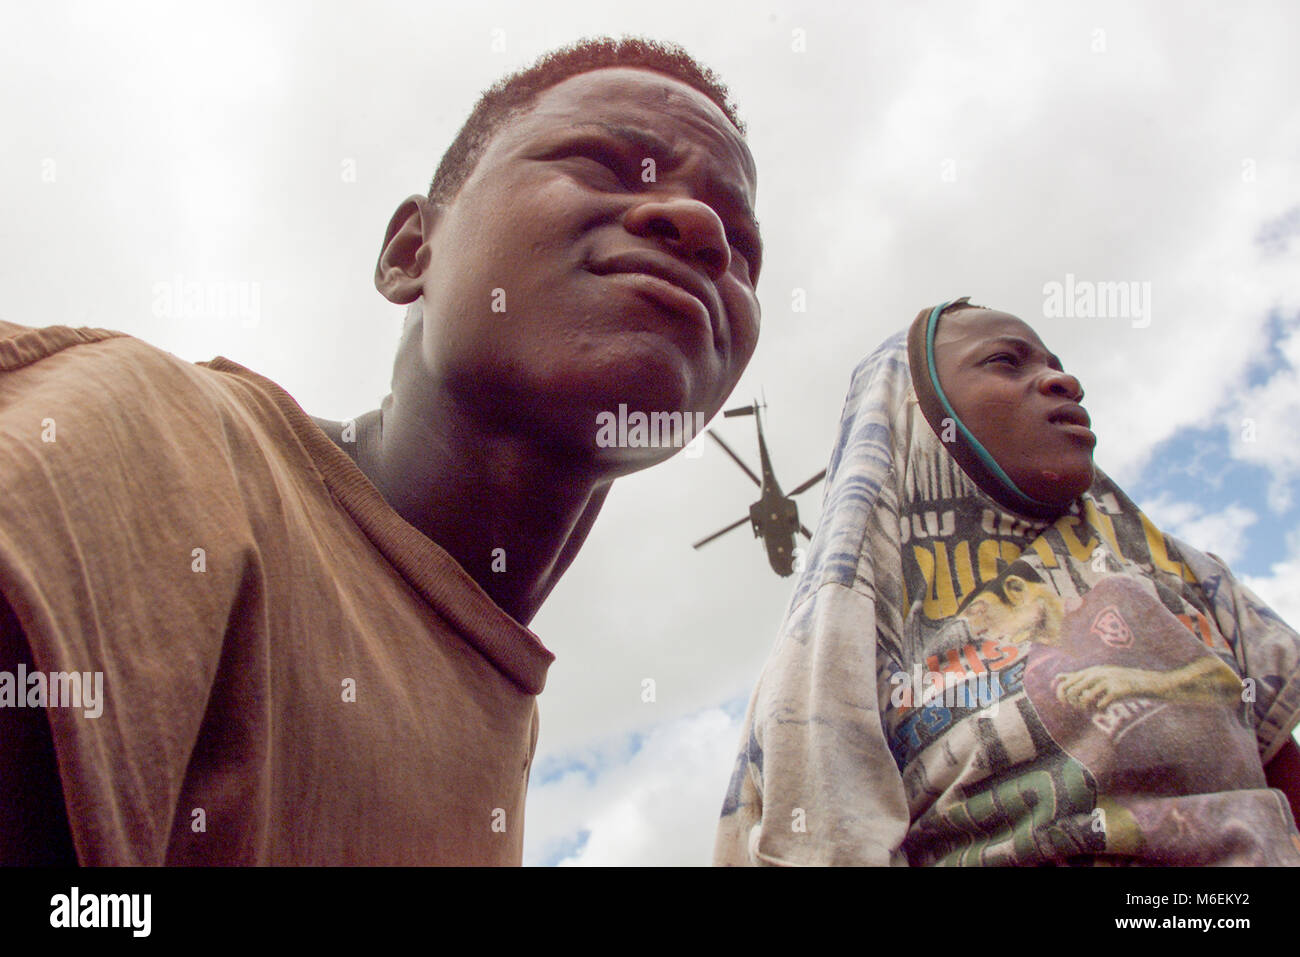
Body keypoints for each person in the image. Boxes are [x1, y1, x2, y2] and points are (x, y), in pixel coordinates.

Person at [0, 37, 763, 865]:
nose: (698, 228)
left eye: (742, 245)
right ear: (410, 254)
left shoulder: (491, 699)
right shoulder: (158, 437)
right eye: (605, 165)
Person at [715, 298, 1300, 865]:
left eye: (1058, 366)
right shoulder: (833, 649)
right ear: (923, 412)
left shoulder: (1189, 577)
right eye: (1006, 362)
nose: (1064, 382)